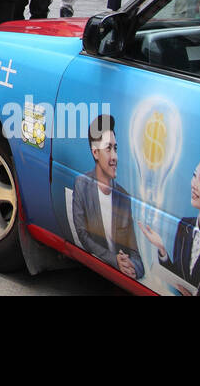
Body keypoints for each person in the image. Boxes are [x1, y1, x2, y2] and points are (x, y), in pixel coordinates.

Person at [140, 155, 200, 296]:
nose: (194, 184)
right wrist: (162, 249)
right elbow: (179, 277)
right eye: (194, 176)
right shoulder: (184, 225)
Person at [71, 115, 144, 280]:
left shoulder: (124, 197)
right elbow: (83, 235)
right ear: (95, 153)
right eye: (108, 148)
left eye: (115, 149)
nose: (114, 157)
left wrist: (131, 267)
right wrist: (114, 261)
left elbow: (136, 256)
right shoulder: (82, 184)